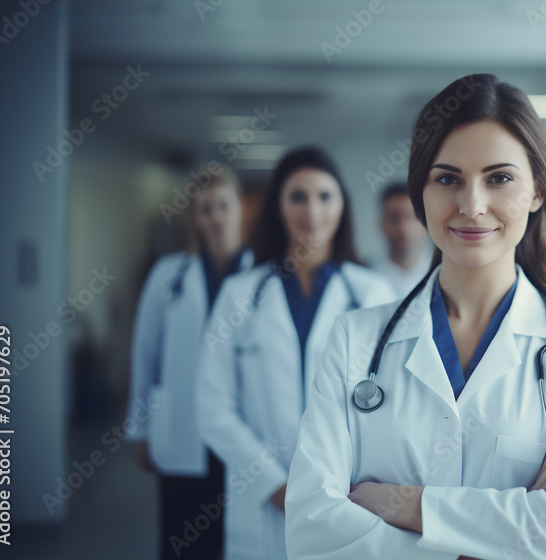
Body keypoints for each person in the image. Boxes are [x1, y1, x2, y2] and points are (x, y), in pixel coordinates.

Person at [284, 74, 546, 560]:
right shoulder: (354, 341)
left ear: (537, 192)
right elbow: (310, 530)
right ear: (419, 194)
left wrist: (413, 507)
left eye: (500, 178)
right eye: (448, 179)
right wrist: (507, 528)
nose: (471, 205)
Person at [196, 146, 394, 560]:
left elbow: (394, 403)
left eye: (325, 196)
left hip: (348, 490)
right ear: (278, 206)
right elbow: (213, 406)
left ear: (342, 205)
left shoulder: (373, 294)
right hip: (264, 496)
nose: (312, 210)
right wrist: (274, 485)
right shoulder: (240, 295)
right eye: (297, 196)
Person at [127, 164, 251, 560]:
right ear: (193, 216)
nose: (215, 217)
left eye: (223, 206)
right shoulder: (168, 274)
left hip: (242, 429)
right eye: (204, 209)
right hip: (182, 431)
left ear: (239, 209)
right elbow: (145, 353)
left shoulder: (263, 275)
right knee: (181, 540)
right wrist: (139, 428)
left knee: (237, 541)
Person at [370, 182, 432, 299]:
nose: (403, 228)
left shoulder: (443, 273)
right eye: (394, 218)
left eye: (411, 217)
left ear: (425, 224)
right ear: (381, 223)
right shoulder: (365, 273)